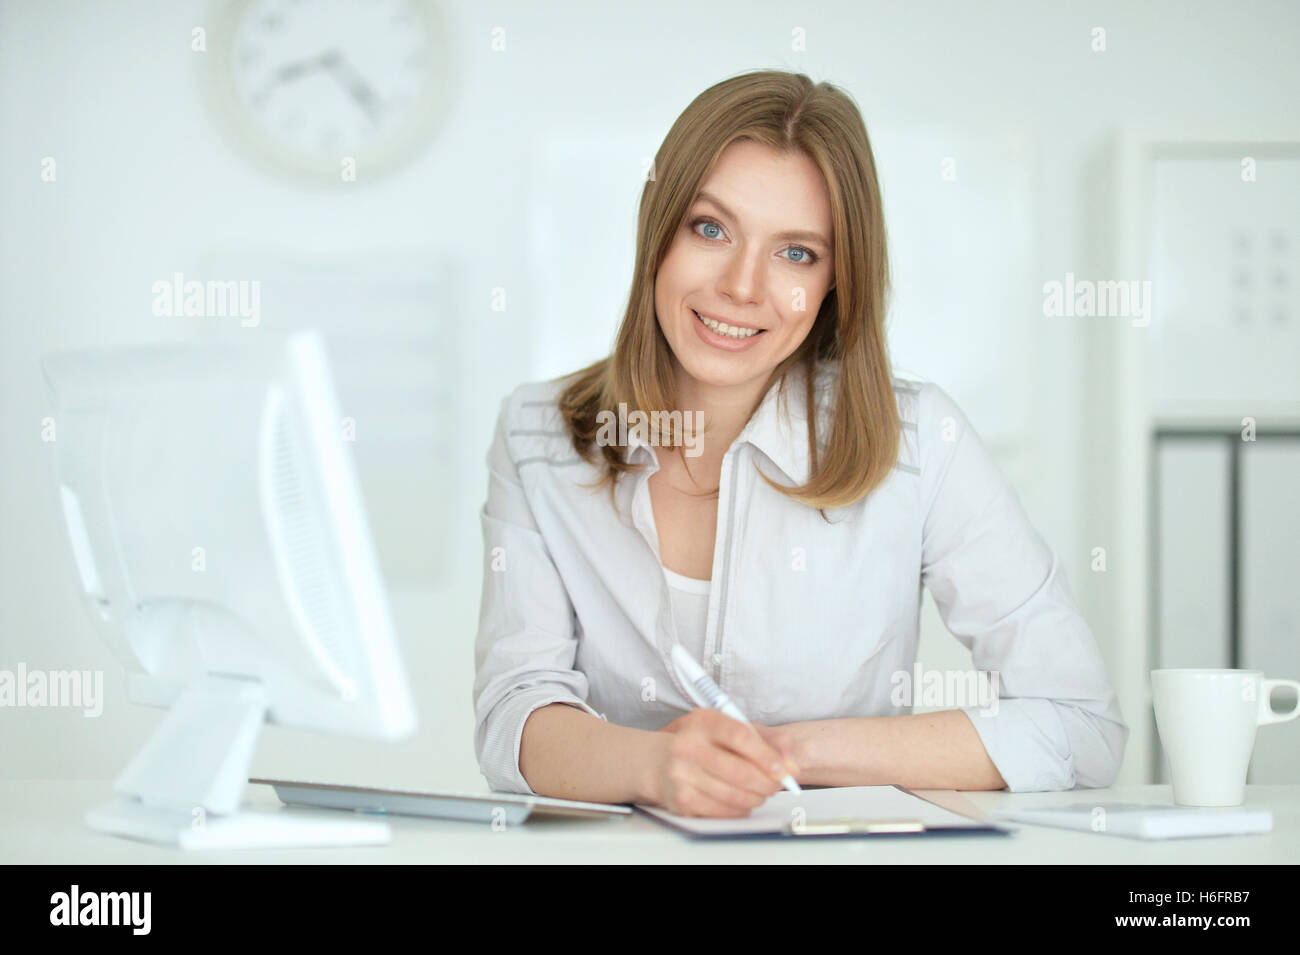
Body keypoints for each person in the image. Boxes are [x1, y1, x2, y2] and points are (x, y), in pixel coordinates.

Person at [472, 69, 1128, 817]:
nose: (743, 287)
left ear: (834, 284)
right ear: (659, 232)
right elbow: (512, 714)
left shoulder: (921, 442)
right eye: (710, 228)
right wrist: (658, 764)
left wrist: (790, 751)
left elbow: (1081, 726)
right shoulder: (539, 435)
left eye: (796, 253)